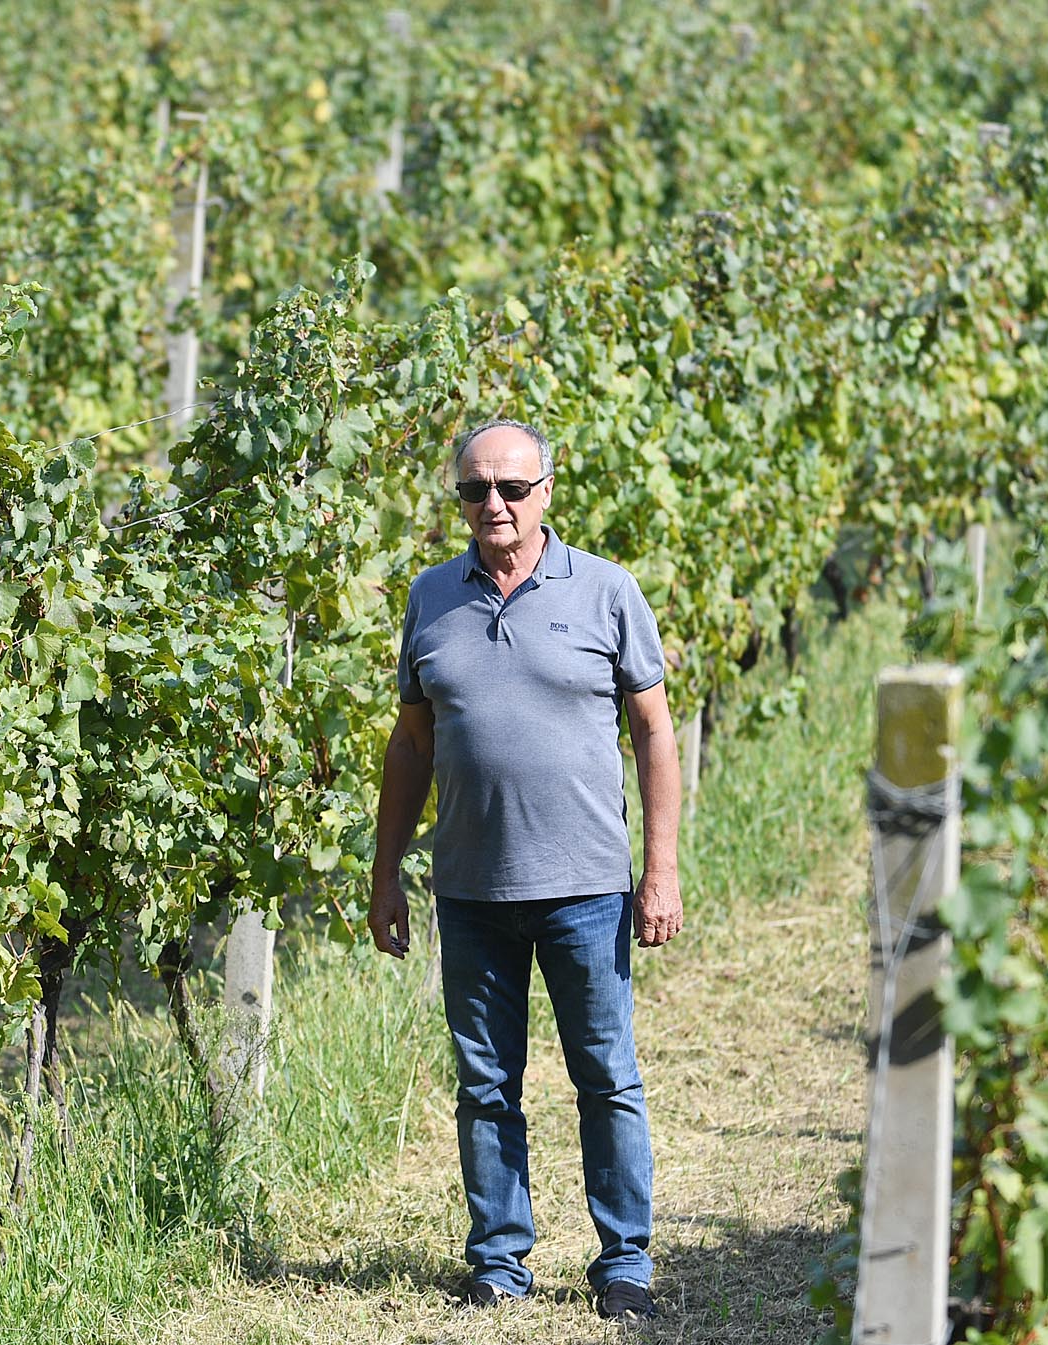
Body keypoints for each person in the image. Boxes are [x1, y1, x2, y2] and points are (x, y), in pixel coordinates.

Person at [369, 417, 684, 1324]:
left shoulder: (606, 592)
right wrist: (385, 871)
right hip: (469, 891)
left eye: (510, 487)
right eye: (475, 490)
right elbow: (413, 741)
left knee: (605, 1076)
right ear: (459, 500)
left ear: (546, 491)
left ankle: (623, 1261)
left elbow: (654, 730)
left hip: (586, 886)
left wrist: (657, 869)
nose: (493, 505)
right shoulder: (431, 599)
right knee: (483, 1086)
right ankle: (499, 1261)